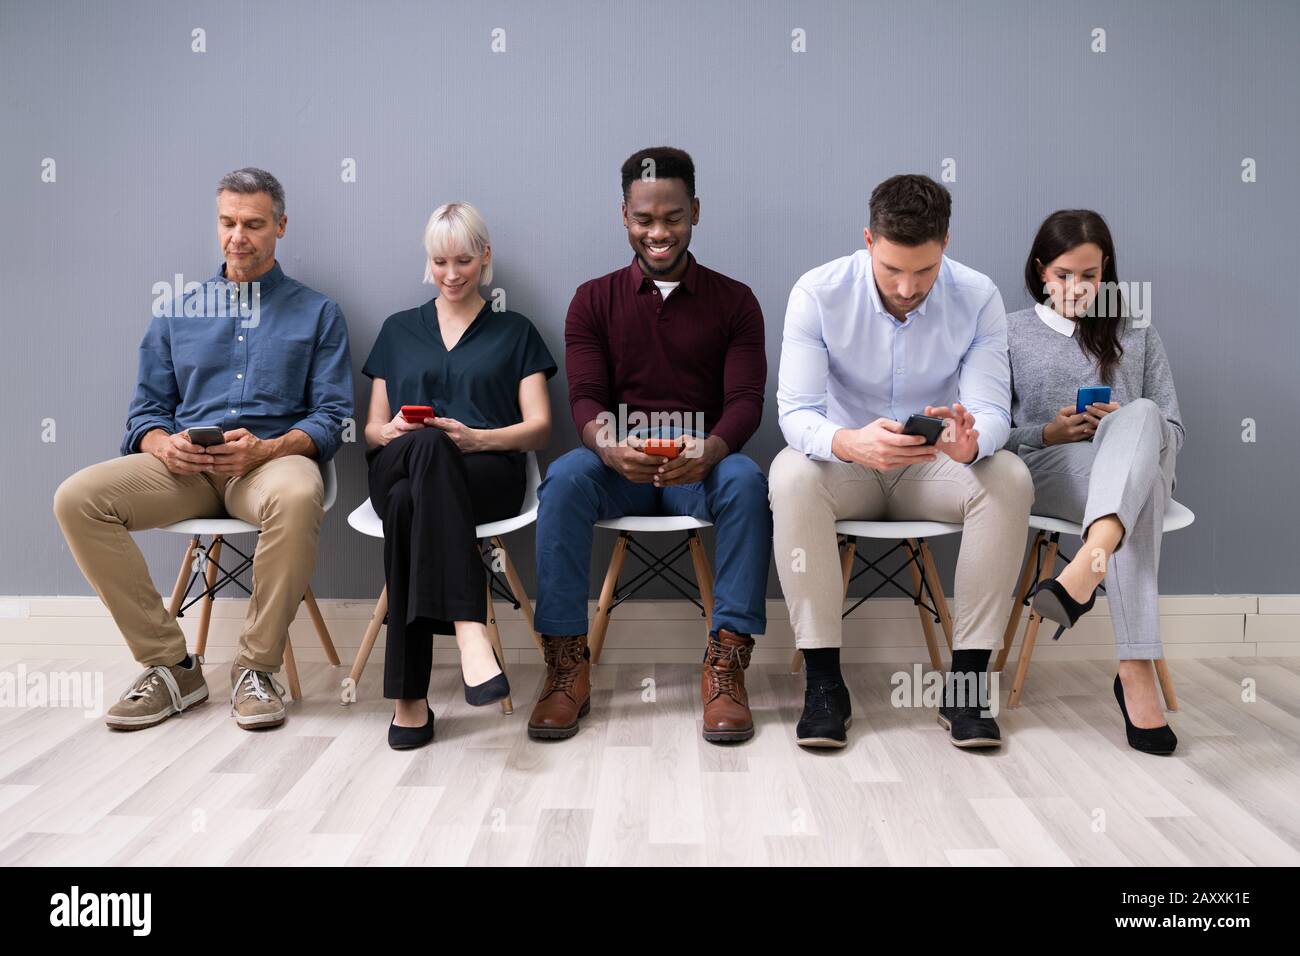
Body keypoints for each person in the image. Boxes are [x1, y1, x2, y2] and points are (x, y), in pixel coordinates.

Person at [53, 167, 353, 731]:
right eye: (228, 222)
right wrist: (163, 444)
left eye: (254, 224)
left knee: (296, 492)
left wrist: (265, 450)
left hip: (267, 468)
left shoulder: (319, 313)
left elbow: (332, 419)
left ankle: (256, 669)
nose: (238, 236)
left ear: (281, 226)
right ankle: (170, 667)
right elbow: (144, 413)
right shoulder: (175, 310)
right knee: (77, 499)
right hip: (184, 473)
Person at [770, 174, 1033, 750]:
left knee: (1009, 476)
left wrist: (974, 441)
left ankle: (965, 684)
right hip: (848, 467)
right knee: (789, 473)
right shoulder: (818, 292)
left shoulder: (979, 295)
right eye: (893, 269)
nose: (909, 286)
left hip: (933, 467)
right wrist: (848, 442)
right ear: (868, 240)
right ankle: (823, 686)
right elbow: (796, 413)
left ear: (946, 244)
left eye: (925, 271)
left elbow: (991, 409)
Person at [530, 146, 772, 743]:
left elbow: (746, 401)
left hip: (701, 466)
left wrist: (711, 451)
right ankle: (566, 664)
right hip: (620, 465)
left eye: (672, 218)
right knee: (562, 478)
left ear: (695, 211)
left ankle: (727, 665)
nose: (659, 232)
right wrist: (608, 446)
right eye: (645, 219)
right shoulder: (593, 299)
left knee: (747, 480)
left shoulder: (735, 301)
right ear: (624, 217)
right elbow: (584, 398)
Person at [362, 202, 556, 750]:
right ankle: (471, 631)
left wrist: (478, 439)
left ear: (485, 257)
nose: (451, 274)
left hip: (486, 476)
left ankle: (409, 701)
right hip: (399, 459)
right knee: (423, 443)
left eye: (464, 261)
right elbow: (371, 431)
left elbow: (539, 428)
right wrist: (396, 428)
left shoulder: (515, 331)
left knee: (406, 506)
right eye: (440, 261)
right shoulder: (397, 329)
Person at [1006, 209, 1183, 755]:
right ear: (1040, 271)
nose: (1077, 288)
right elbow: (993, 438)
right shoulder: (1010, 332)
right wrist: (1051, 431)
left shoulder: (1138, 331)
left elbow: (1172, 428)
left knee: (1144, 415)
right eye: (1064, 275)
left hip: (1129, 470)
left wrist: (1124, 425)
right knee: (1138, 496)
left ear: (1106, 273)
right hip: (1052, 467)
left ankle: (1086, 567)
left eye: (1090, 275)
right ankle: (1134, 673)